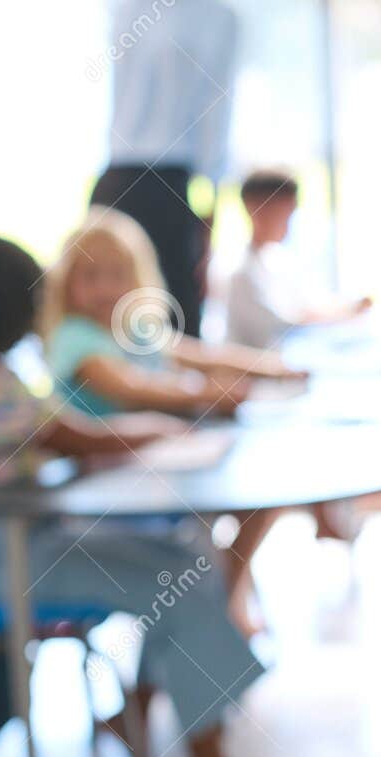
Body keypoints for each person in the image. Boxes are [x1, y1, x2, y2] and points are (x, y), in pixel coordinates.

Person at [0, 235, 278, 757]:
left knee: (183, 559)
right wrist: (169, 428)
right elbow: (85, 436)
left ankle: (160, 723)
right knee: (183, 570)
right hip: (6, 565)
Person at [42, 207, 303, 634]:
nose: (105, 288)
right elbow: (132, 386)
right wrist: (209, 392)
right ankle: (221, 605)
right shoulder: (74, 339)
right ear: (66, 286)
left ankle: (223, 596)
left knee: (260, 497)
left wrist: (273, 367)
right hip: (106, 484)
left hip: (156, 467)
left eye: (116, 274)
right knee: (229, 509)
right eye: (90, 277)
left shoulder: (136, 328)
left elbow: (201, 353)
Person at [90, 0, 239, 336]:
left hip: (130, 183)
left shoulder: (128, 8)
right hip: (153, 187)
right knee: (119, 326)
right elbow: (217, 120)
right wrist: (208, 222)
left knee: (153, 328)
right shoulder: (218, 17)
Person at [226, 169, 371, 350]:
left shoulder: (277, 260)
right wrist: (343, 314)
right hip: (258, 374)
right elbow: (283, 328)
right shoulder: (239, 273)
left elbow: (306, 305)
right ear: (255, 210)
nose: (288, 225)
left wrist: (351, 308)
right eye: (283, 215)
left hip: (284, 369)